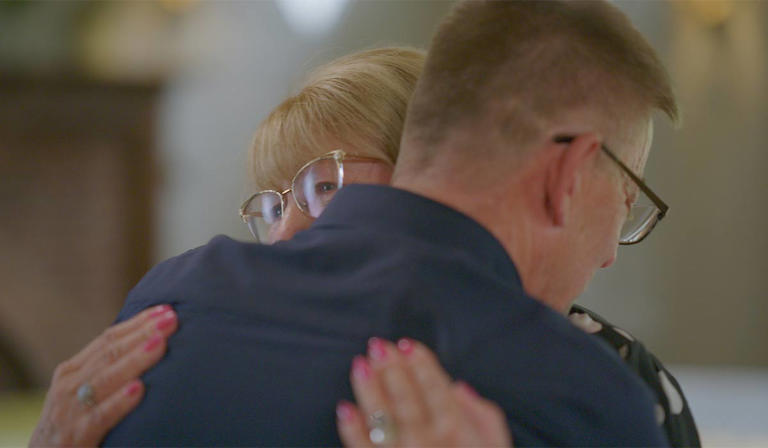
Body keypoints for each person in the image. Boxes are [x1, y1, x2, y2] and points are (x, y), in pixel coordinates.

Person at [34, 1, 689, 446]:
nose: (292, 236)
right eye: (624, 200)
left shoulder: (164, 308)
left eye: (324, 188)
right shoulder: (580, 396)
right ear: (567, 173)